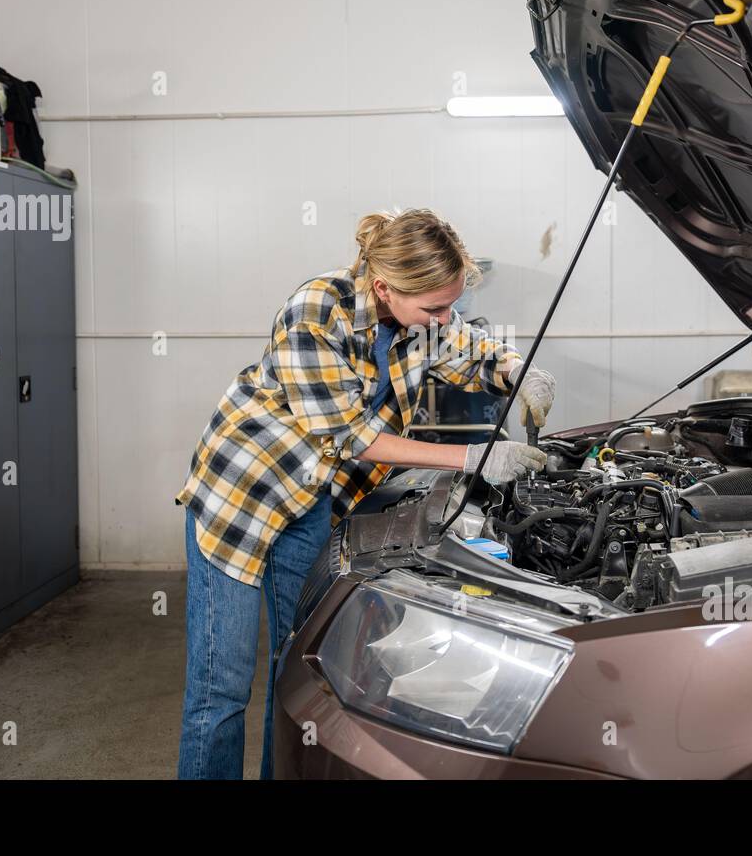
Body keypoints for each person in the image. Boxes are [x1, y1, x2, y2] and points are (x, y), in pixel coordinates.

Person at [174, 207, 556, 779]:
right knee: (221, 686)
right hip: (243, 498)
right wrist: (476, 459)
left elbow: (469, 346)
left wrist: (518, 372)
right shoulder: (316, 309)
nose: (444, 317)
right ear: (384, 286)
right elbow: (351, 436)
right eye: (433, 306)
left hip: (312, 504)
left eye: (449, 304)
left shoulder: (421, 317)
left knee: (294, 673)